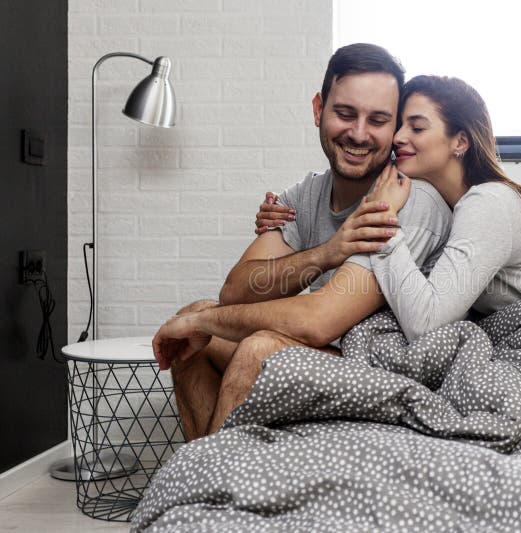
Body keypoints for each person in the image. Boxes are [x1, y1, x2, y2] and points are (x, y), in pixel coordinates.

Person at [152, 44, 452, 441]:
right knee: (195, 327)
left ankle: (202, 487)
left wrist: (203, 321)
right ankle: (211, 485)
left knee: (256, 347)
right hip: (329, 355)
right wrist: (327, 253)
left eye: (377, 120)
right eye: (345, 113)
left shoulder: (409, 201)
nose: (358, 134)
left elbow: (317, 321)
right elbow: (237, 291)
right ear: (318, 109)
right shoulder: (303, 196)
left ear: (394, 127)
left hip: (382, 370)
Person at [257, 75, 521, 342]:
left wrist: (384, 221)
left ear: (460, 141)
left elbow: (427, 325)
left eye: (416, 127)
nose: (399, 137)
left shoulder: (489, 201)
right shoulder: (447, 207)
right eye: (398, 125)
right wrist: (282, 213)